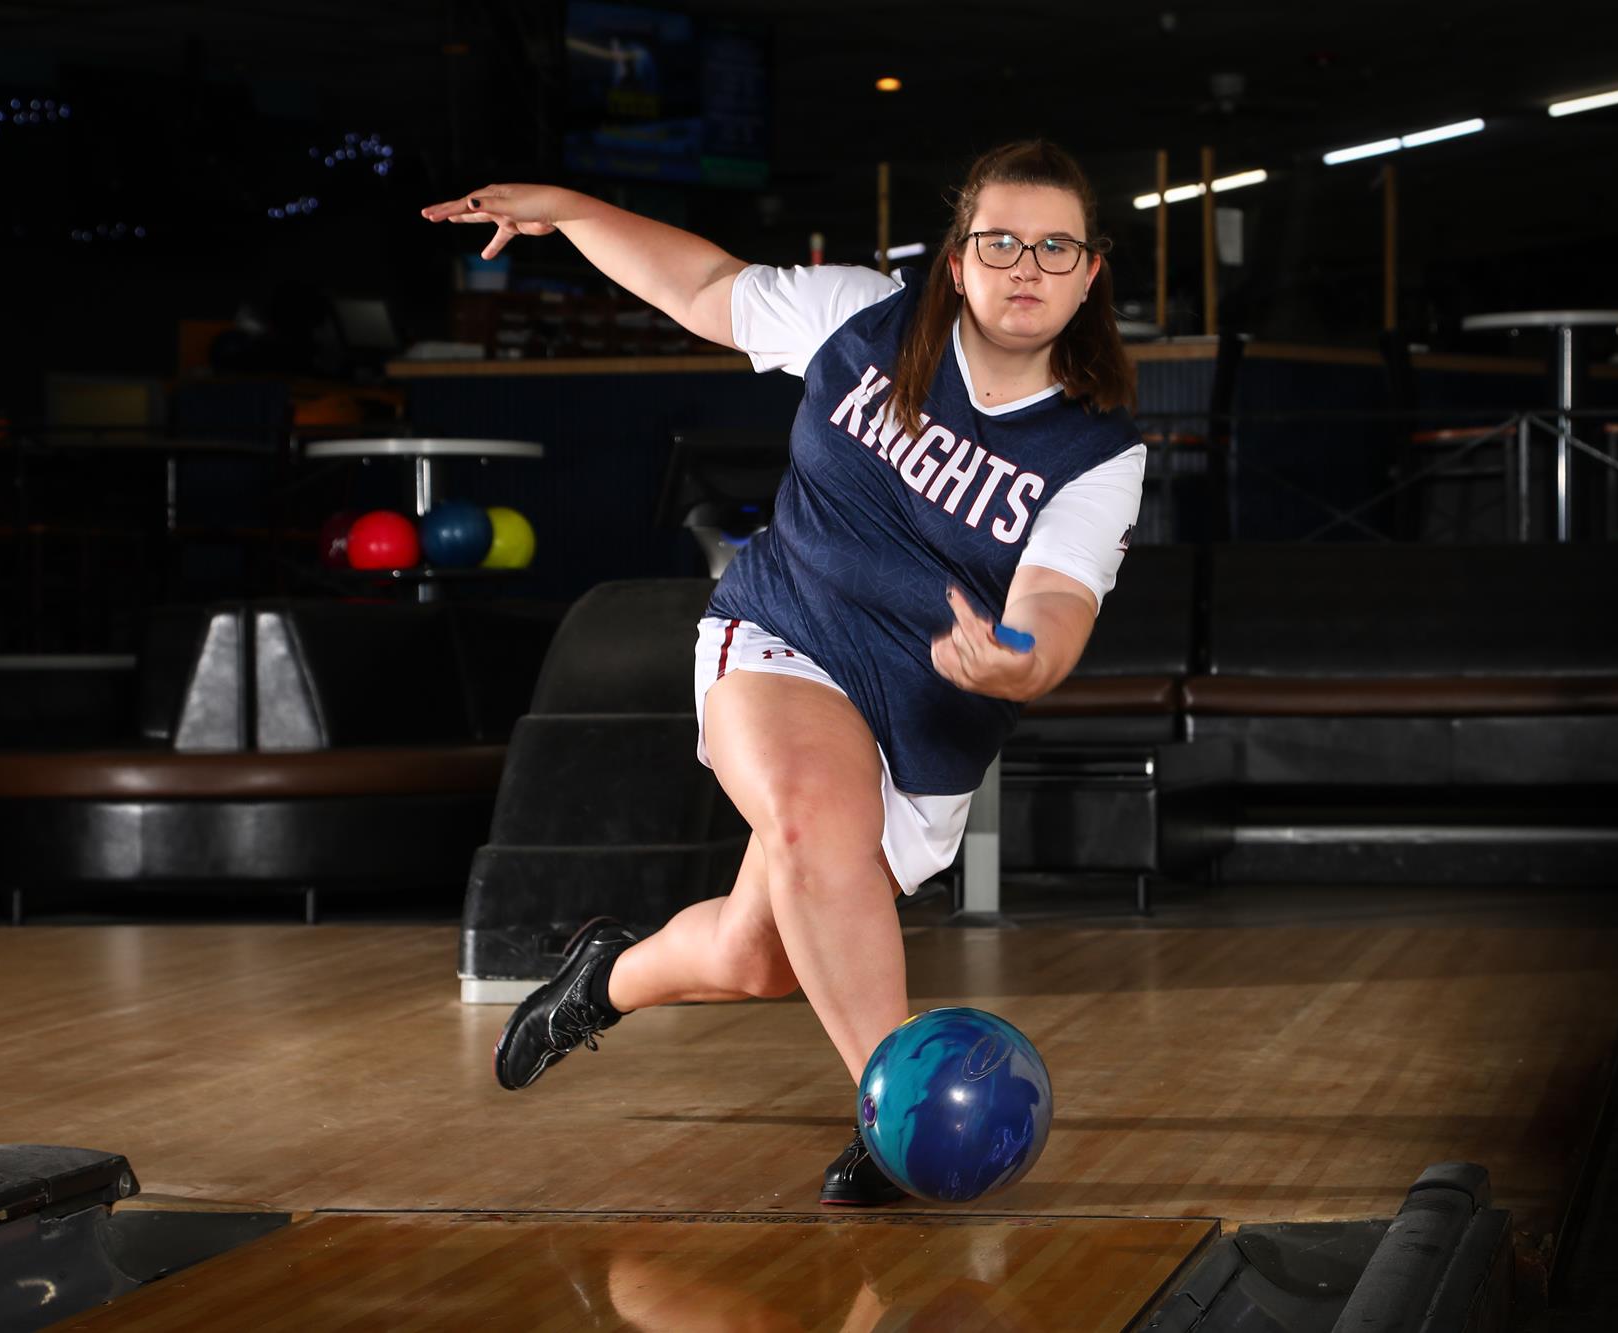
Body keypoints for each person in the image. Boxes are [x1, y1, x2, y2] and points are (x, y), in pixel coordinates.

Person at [421, 140, 1144, 1206]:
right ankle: (894, 1111)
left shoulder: (1096, 451)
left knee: (759, 959)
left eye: (1052, 246)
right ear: (956, 261)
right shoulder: (863, 319)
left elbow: (1058, 601)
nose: (1024, 265)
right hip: (781, 633)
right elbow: (704, 285)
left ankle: (604, 977)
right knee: (811, 823)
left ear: (1089, 272)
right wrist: (571, 208)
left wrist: (1018, 662)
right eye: (999, 241)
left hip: (924, 724)